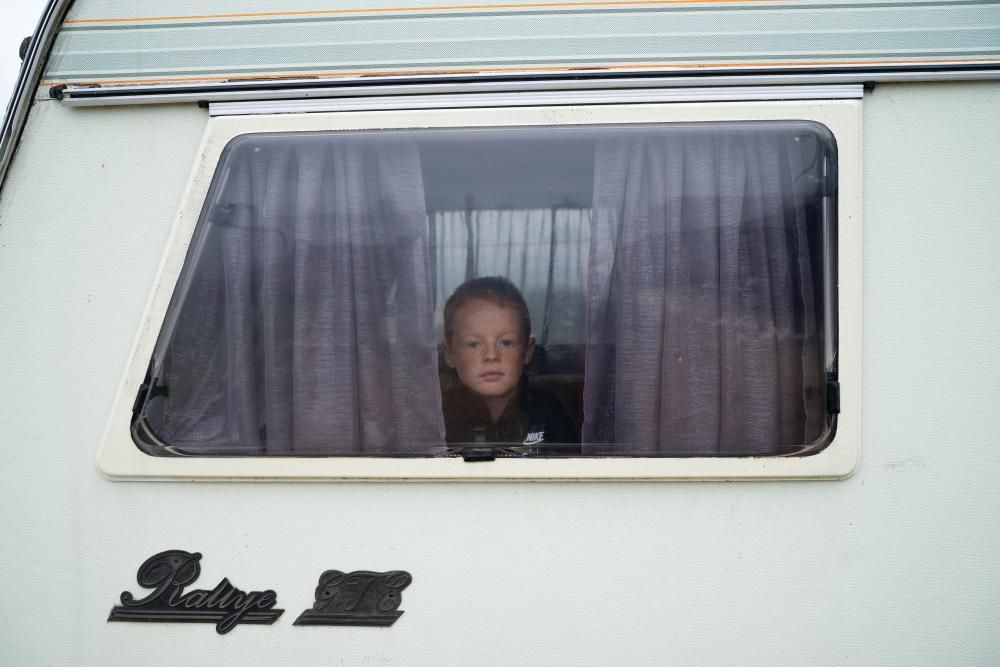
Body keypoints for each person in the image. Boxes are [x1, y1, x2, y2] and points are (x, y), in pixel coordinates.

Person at [441, 276, 579, 454]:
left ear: (527, 351)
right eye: (474, 344)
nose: (491, 356)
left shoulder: (548, 411)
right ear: (450, 353)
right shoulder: (439, 414)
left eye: (506, 343)